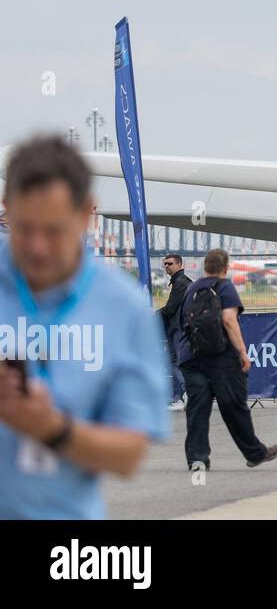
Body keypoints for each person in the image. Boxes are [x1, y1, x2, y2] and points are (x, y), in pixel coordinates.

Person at [0, 134, 170, 518]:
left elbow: (129, 454)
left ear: (86, 214)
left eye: (54, 231)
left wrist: (53, 428)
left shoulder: (125, 308)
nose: (38, 247)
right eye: (25, 229)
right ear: (6, 207)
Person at [177, 248, 277, 471]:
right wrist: (243, 352)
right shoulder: (224, 287)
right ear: (226, 267)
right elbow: (229, 320)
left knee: (197, 409)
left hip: (191, 357)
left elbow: (181, 322)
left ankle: (197, 459)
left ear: (205, 266)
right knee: (234, 407)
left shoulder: (192, 288)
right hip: (221, 358)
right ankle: (255, 453)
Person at [158, 253, 191, 408]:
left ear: (179, 264)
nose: (166, 266)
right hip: (180, 328)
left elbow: (171, 308)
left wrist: (155, 314)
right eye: (165, 264)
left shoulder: (181, 282)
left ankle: (188, 392)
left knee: (175, 361)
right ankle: (186, 393)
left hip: (179, 329)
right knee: (176, 362)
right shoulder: (181, 281)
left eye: (170, 263)